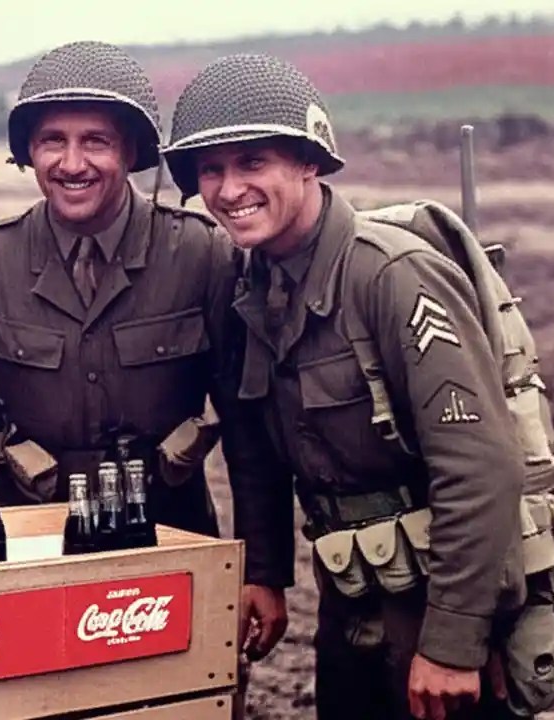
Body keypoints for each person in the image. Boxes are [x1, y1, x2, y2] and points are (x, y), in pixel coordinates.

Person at [160, 53, 532, 719]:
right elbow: (256, 450)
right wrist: (266, 573)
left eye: (253, 162)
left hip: (445, 597)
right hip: (352, 598)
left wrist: (452, 643)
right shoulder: (254, 288)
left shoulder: (392, 276)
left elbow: (480, 469)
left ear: (309, 161)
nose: (227, 188)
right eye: (210, 170)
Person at [0, 40, 231, 531]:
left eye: (96, 142)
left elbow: (248, 425)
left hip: (168, 528)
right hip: (29, 532)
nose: (72, 163)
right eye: (52, 141)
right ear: (29, 152)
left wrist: (263, 570)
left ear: (130, 151)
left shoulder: (199, 254)